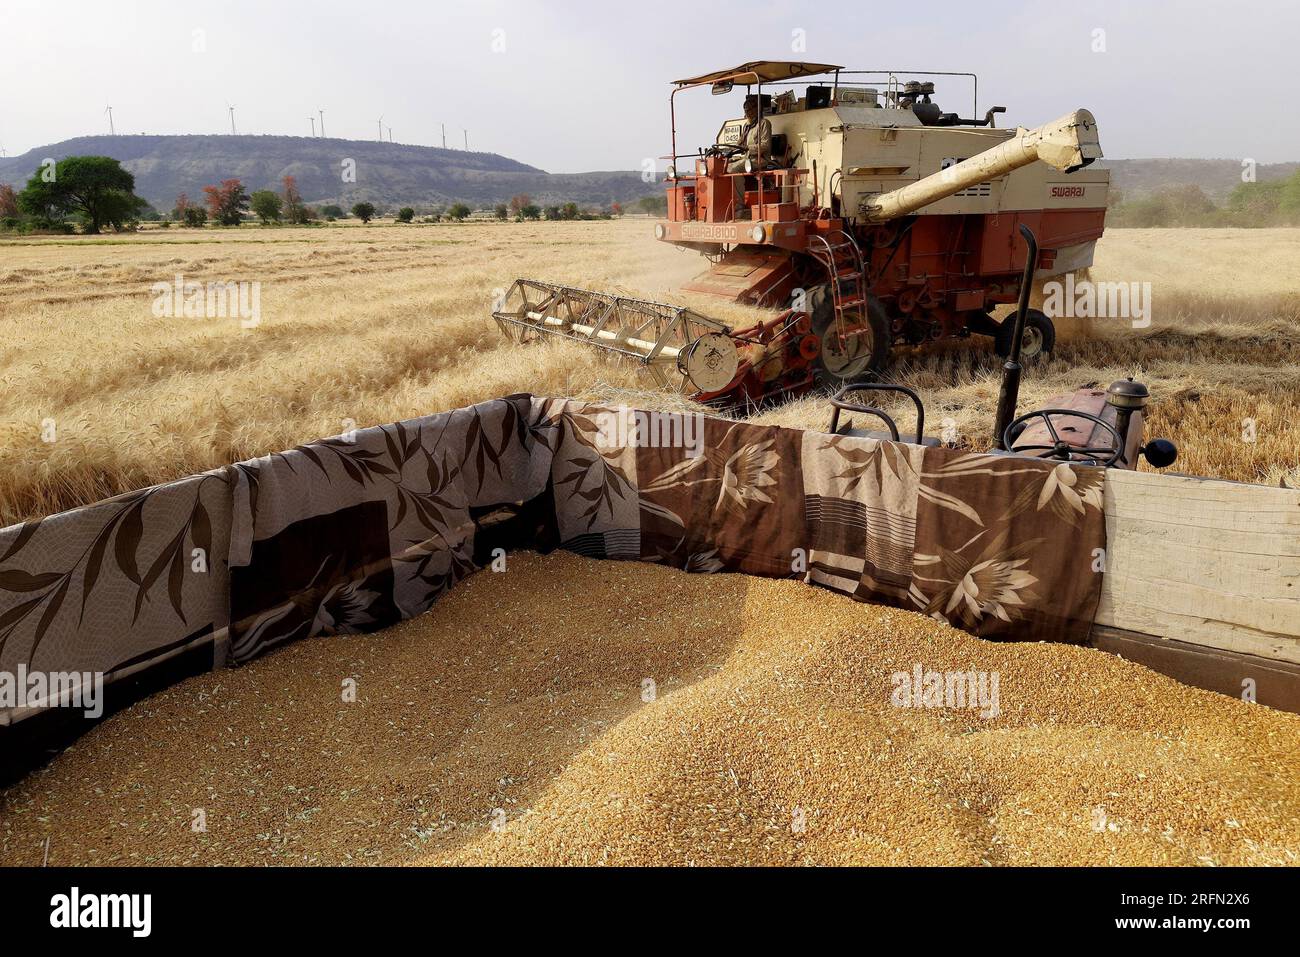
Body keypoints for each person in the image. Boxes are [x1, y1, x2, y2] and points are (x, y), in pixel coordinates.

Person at [727, 94, 772, 173]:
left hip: (760, 159)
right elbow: (739, 143)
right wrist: (728, 149)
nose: (748, 112)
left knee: (732, 169)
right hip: (747, 158)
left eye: (750, 109)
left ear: (757, 109)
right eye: (746, 110)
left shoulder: (764, 123)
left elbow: (765, 145)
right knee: (725, 166)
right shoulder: (747, 126)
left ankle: (741, 186)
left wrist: (748, 148)